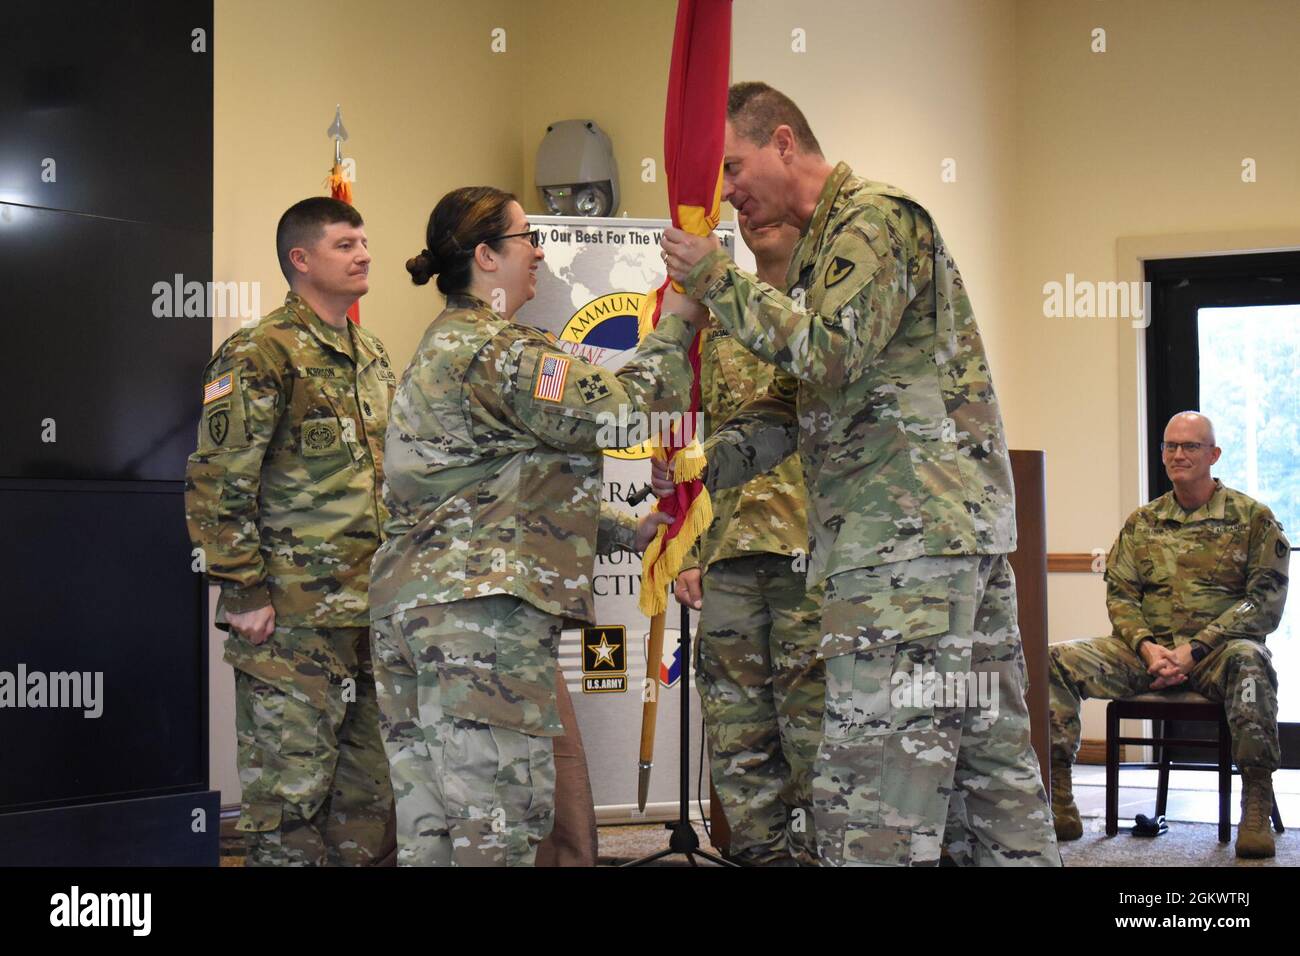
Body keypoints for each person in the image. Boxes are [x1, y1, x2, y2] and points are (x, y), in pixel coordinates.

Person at [655, 81, 1060, 866]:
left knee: (875, 791)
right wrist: (698, 469)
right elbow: (794, 403)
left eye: (734, 169)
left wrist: (713, 281)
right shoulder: (817, 252)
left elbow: (828, 353)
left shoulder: (875, 217)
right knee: (989, 782)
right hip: (931, 544)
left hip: (906, 548)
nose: (729, 194)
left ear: (782, 141)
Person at [369, 185, 704, 866]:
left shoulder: (445, 346)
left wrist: (626, 529)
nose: (542, 253)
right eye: (528, 239)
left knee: (433, 838)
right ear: (487, 257)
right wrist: (677, 322)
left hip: (420, 618)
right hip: (478, 629)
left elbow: (496, 489)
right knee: (497, 830)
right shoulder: (502, 352)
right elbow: (625, 412)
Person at [185, 196, 397, 866]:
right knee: (289, 801)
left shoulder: (372, 353)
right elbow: (219, 477)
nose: (363, 253)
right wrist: (243, 591)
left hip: (370, 613)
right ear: (301, 260)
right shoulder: (258, 353)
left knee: (367, 797)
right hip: (293, 621)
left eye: (364, 241)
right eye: (344, 244)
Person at [1049, 411, 1289, 858]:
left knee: (1252, 663)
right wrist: (1146, 647)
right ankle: (1059, 792)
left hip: (1219, 654)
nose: (1178, 454)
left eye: (1190, 446)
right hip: (1147, 653)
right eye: (1170, 446)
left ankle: (1255, 799)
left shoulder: (1253, 518)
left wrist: (1195, 650)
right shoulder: (1144, 521)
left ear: (1213, 454)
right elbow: (1120, 593)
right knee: (1055, 658)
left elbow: (1264, 602)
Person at [674, 216, 823, 866]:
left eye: (775, 223)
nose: (760, 230)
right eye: (750, 225)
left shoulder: (826, 321)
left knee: (817, 737)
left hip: (812, 560)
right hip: (730, 555)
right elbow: (698, 445)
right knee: (740, 741)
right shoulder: (717, 331)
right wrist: (687, 545)